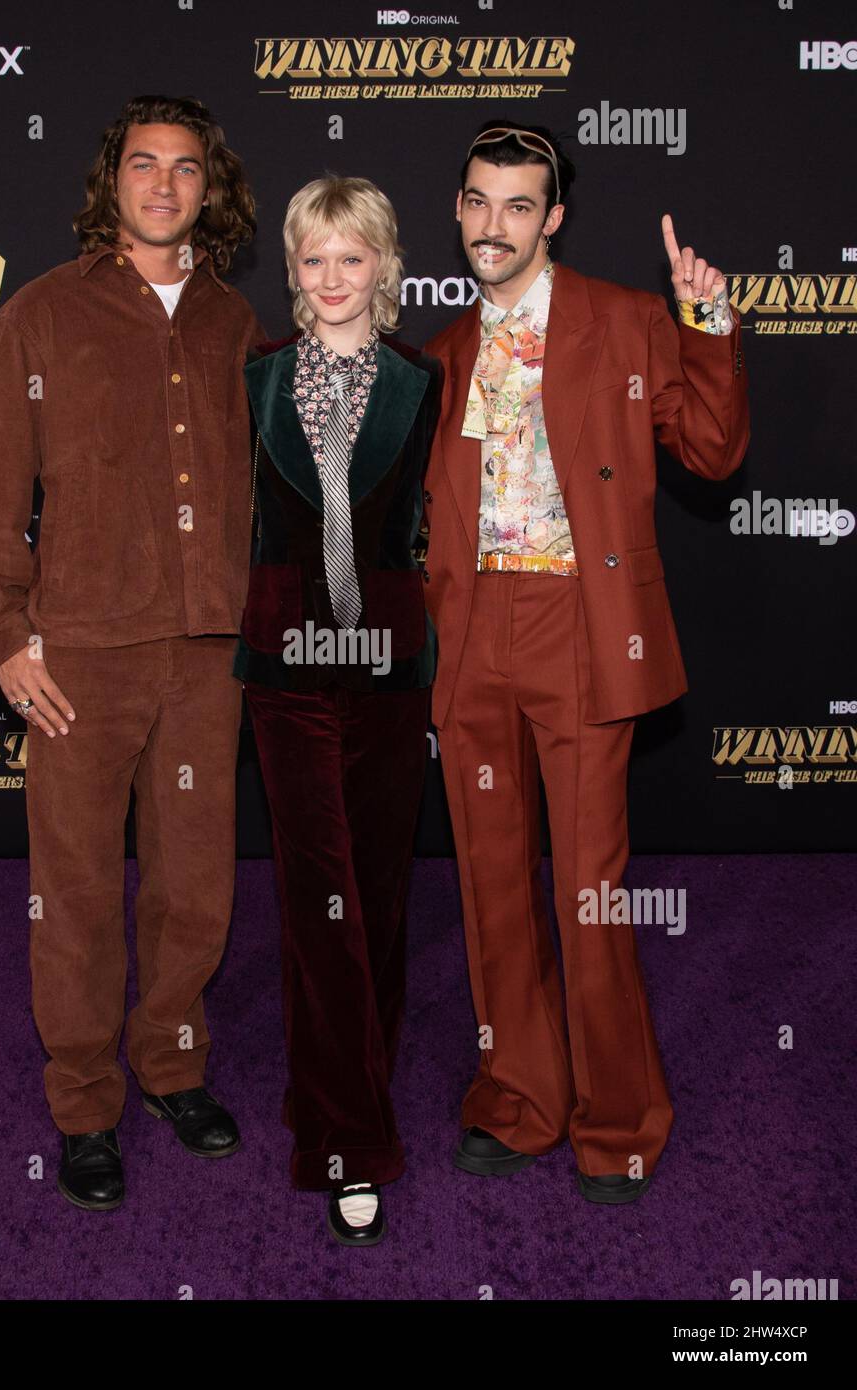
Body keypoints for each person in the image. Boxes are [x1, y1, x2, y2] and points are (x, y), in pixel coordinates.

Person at [422, 120, 750, 1204]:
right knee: (488, 880)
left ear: (552, 217)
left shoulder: (621, 319)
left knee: (587, 893)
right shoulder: (440, 353)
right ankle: (518, 1095)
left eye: (518, 204)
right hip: (472, 639)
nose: (494, 224)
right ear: (458, 210)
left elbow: (709, 448)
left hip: (580, 627)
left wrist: (704, 319)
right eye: (477, 201)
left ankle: (616, 1122)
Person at [0, 95, 268, 1210]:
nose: (165, 185)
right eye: (145, 165)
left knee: (194, 888)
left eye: (187, 168)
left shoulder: (239, 328)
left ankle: (173, 1064)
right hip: (79, 658)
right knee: (78, 891)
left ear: (209, 190)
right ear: (113, 181)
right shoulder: (37, 318)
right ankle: (85, 1102)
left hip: (205, 657)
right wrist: (3, 636)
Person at [236, 175, 443, 1244]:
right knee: (318, 902)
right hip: (287, 672)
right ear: (294, 267)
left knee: (379, 900)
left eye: (349, 257)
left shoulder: (424, 379)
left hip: (388, 666)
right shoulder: (256, 375)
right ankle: (346, 1140)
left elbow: (433, 530)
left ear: (383, 266)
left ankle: (345, 1082)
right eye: (311, 258)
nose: (329, 278)